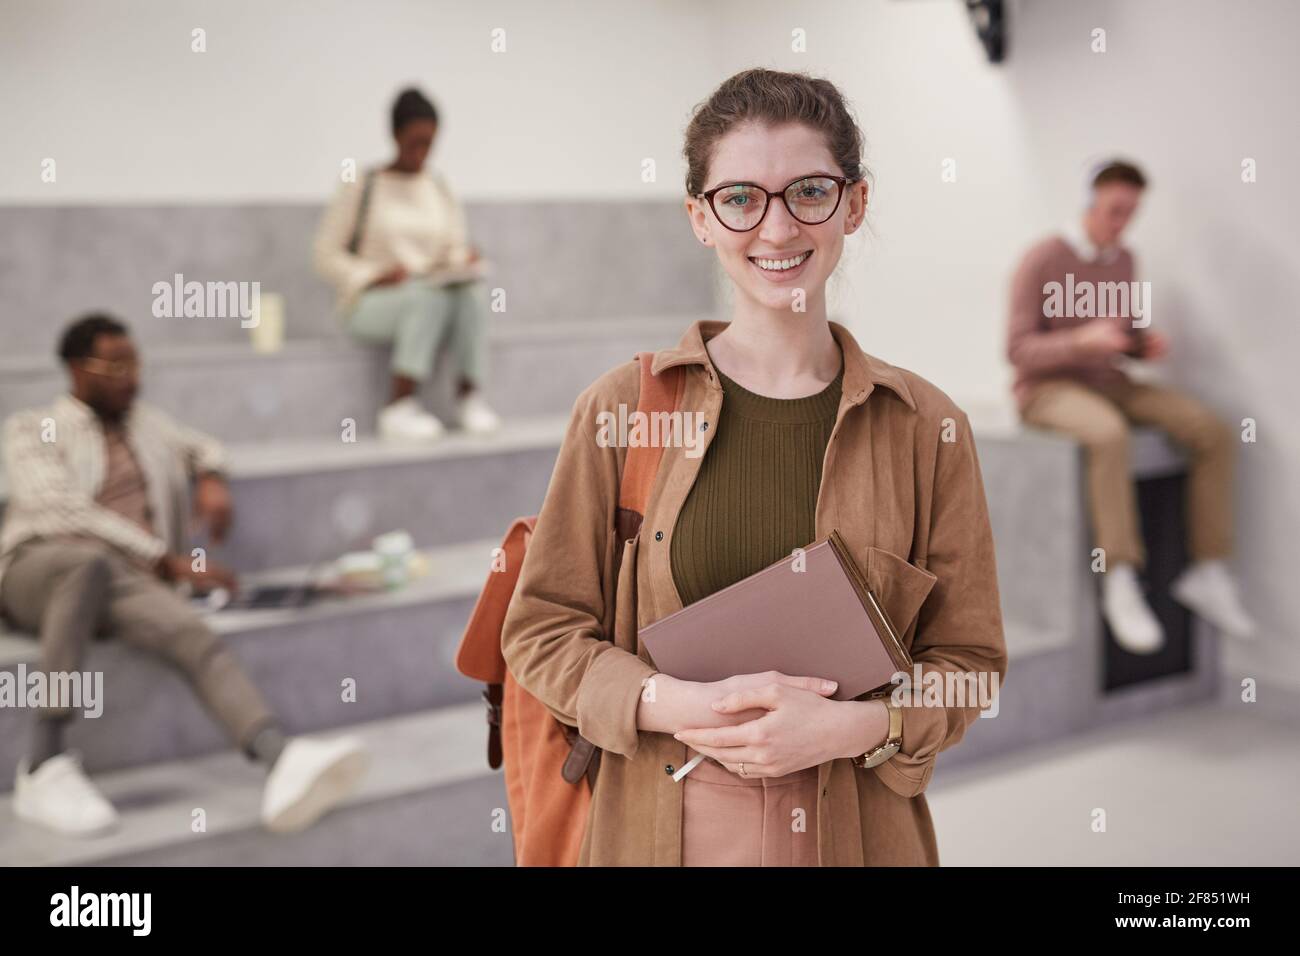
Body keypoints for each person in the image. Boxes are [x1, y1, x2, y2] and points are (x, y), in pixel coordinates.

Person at [500, 69, 1008, 866]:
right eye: (740, 198)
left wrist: (855, 726)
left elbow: (970, 666)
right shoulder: (623, 408)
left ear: (855, 203)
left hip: (860, 835)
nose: (776, 230)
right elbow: (542, 633)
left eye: (809, 191)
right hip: (660, 827)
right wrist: (670, 701)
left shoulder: (928, 428)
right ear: (700, 218)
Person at [0, 314, 368, 837]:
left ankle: (280, 757)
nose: (132, 376)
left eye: (135, 363)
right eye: (116, 366)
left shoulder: (147, 424)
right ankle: (41, 765)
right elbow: (60, 511)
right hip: (38, 570)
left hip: (124, 579)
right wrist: (162, 557)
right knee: (86, 564)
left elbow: (205, 447)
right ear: (77, 371)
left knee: (192, 635)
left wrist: (211, 480)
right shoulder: (33, 427)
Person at [1007, 160, 1255, 654]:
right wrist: (1081, 342)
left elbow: (1118, 334)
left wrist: (1139, 346)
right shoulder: (1042, 257)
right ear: (1089, 202)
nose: (1122, 222)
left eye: (1131, 212)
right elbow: (1018, 351)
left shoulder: (1124, 259)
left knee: (1214, 430)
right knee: (1107, 434)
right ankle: (1119, 577)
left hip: (1110, 379)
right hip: (1046, 389)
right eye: (1115, 210)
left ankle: (1207, 567)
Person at [313, 86, 501, 442]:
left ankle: (469, 398)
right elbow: (324, 254)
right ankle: (399, 405)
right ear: (395, 135)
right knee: (426, 297)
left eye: (430, 143)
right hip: (368, 304)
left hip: (429, 295)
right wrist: (373, 275)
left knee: (472, 295)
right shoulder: (362, 184)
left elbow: (452, 248)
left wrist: (464, 260)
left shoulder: (439, 186)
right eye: (415, 141)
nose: (422, 152)